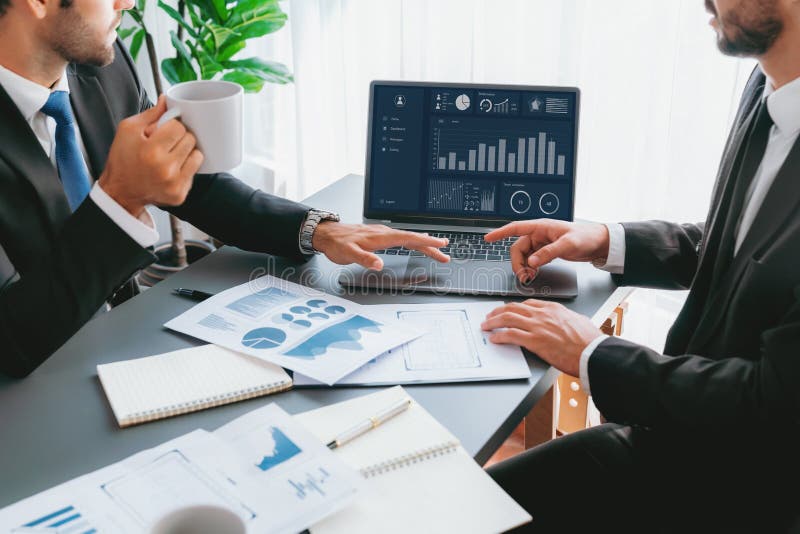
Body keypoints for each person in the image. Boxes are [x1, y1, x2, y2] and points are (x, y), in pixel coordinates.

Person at [0, 0, 449, 378]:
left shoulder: (100, 65)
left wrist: (316, 230)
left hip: (120, 349)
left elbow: (190, 182)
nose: (130, 3)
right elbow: (12, 342)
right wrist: (121, 199)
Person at [482, 0, 800, 531]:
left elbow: (772, 405)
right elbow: (747, 250)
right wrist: (606, 240)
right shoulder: (770, 86)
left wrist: (592, 353)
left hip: (747, 492)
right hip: (678, 441)